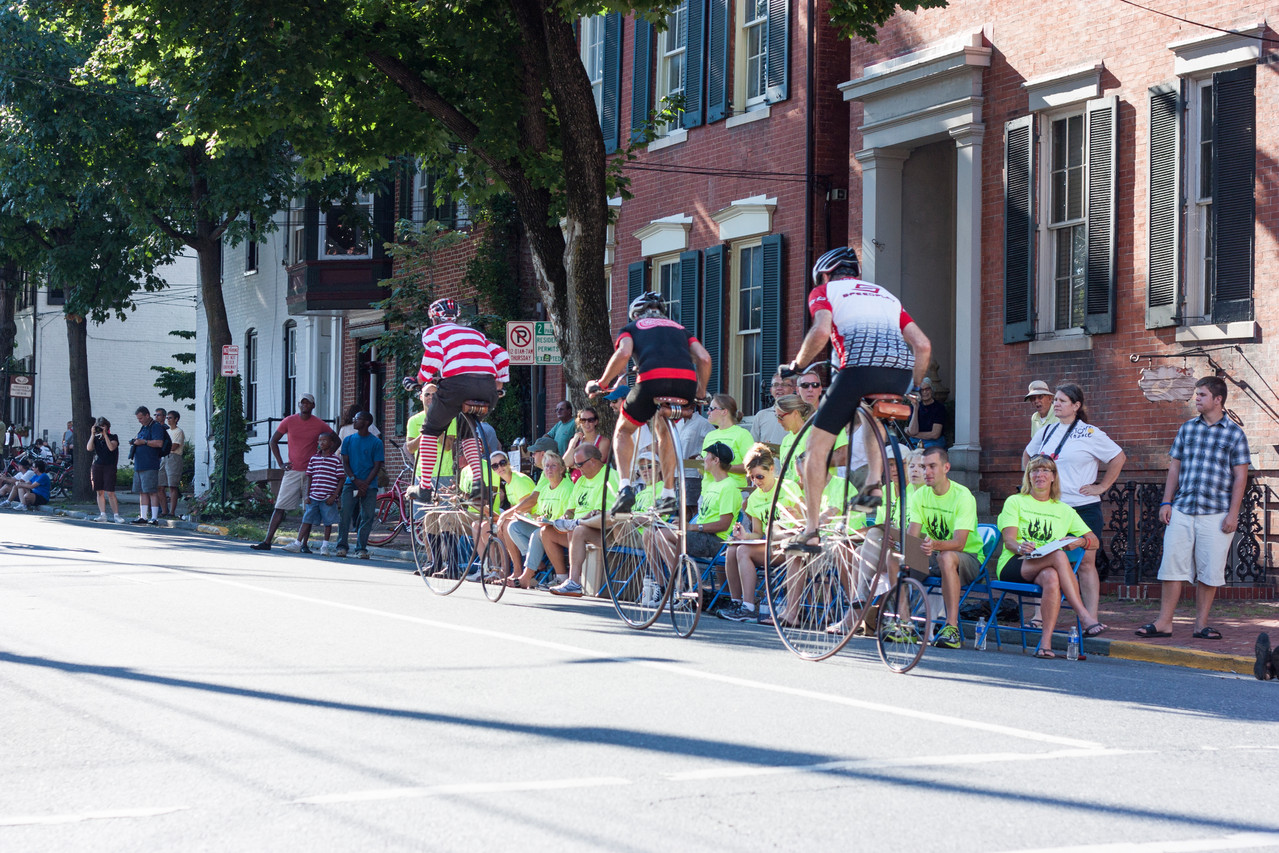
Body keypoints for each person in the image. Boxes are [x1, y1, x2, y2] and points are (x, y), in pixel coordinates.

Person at [780, 246, 931, 551]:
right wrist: (913, 386)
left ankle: (810, 529)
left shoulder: (824, 291)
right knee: (871, 414)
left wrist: (796, 365)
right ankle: (874, 484)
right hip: (900, 373)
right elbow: (923, 346)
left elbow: (822, 330)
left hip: (858, 369)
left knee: (815, 449)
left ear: (824, 274)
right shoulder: (886, 296)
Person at [1136, 377, 1250, 642]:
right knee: (1171, 567)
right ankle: (1164, 622)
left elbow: (1240, 477)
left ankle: (1201, 625)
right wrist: (1166, 501)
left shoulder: (1234, 434)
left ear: (1217, 399)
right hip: (1183, 509)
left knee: (1209, 571)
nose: (1196, 399)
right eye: (1196, 394)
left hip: (1217, 512)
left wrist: (1234, 514)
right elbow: (1174, 467)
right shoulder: (1187, 429)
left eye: (1201, 395)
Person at [592, 291, 712, 518]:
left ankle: (625, 487)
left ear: (635, 314)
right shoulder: (681, 330)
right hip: (685, 383)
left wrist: (602, 383)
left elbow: (624, 352)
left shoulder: (631, 328)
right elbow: (704, 358)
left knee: (623, 430)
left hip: (652, 379)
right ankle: (668, 494)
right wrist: (701, 392)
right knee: (665, 427)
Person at [1022, 383, 1125, 618]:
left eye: (1061, 401)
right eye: (1055, 400)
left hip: (1083, 507)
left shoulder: (1090, 433)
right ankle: (1040, 616)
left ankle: (1091, 617)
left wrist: (1102, 486)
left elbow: (1118, 457)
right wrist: (1031, 483)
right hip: (1053, 507)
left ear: (1076, 406)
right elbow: (1028, 455)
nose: (1056, 404)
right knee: (1046, 558)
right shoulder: (1047, 431)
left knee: (1087, 562)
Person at [996, 455, 1108, 658]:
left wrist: (1080, 542)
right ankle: (1084, 615)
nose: (1039, 475)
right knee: (1057, 555)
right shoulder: (1015, 502)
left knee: (1052, 577)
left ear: (1054, 477)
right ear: (1028, 476)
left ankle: (1045, 644)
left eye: (1045, 470)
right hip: (1015, 564)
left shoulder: (1064, 510)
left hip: (1044, 566)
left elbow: (1095, 541)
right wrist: (1022, 547)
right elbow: (1009, 542)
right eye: (1034, 470)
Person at [414, 297, 510, 502]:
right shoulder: (476, 334)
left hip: (456, 386)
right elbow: (501, 355)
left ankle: (423, 488)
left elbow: (434, 355)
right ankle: (478, 483)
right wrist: (499, 384)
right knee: (467, 433)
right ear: (456, 317)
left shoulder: (434, 332)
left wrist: (419, 379)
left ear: (433, 319)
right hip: (487, 390)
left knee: (430, 430)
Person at [908, 447, 984, 650]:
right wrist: (899, 544)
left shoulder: (963, 496)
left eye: (932, 466)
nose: (926, 472)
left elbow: (960, 543)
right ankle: (905, 624)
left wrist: (934, 544)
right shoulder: (919, 495)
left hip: (967, 557)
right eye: (924, 467)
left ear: (946, 467)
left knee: (947, 557)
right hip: (934, 552)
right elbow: (912, 537)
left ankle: (952, 628)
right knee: (897, 558)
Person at [720, 444, 799, 622]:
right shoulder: (754, 498)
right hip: (771, 546)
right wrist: (744, 536)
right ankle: (737, 602)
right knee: (734, 547)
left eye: (760, 476)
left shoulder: (788, 488)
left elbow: (804, 519)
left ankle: (748, 607)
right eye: (752, 477)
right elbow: (757, 532)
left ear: (772, 469)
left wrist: (795, 516)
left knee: (742, 550)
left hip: (790, 545)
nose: (756, 481)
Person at [648, 443, 739, 595]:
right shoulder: (711, 483)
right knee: (649, 534)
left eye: (707, 456)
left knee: (662, 535)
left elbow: (724, 524)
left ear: (716, 460)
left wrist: (691, 527)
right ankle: (663, 587)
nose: (703, 459)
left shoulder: (729, 486)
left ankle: (681, 587)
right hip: (701, 534)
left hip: (717, 540)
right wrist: (685, 525)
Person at [251, 393, 336, 551]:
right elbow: (273, 441)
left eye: (308, 403)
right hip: (293, 470)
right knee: (280, 505)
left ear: (313, 405)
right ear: (299, 405)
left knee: (309, 508)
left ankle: (304, 544)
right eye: (302, 403)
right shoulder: (289, 421)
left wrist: (324, 457)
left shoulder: (319, 424)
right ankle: (267, 541)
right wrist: (281, 463)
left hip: (312, 472)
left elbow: (335, 439)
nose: (305, 405)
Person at [545, 444, 618, 596]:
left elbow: (604, 514)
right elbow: (571, 510)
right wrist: (566, 516)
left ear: (593, 461)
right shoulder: (581, 481)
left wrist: (577, 521)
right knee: (546, 532)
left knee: (577, 529)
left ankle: (574, 582)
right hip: (580, 529)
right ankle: (562, 577)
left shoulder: (610, 477)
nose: (577, 469)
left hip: (607, 531)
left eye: (580, 464)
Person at [499, 448, 574, 589]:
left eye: (553, 466)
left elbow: (568, 516)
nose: (549, 469)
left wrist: (546, 521)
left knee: (538, 533)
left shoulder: (567, 487)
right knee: (514, 526)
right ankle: (536, 563)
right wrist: (532, 517)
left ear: (562, 469)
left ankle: (527, 576)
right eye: (546, 466)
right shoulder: (545, 489)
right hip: (544, 527)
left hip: (561, 531)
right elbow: (540, 513)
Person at [285, 432, 344, 555]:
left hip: (328, 498)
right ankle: (297, 543)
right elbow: (309, 477)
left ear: (331, 443)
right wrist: (306, 495)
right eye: (319, 440)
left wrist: (334, 496)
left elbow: (341, 478)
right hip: (313, 496)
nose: (321, 443)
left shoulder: (335, 460)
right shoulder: (314, 459)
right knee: (307, 520)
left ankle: (325, 546)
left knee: (328, 522)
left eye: (324, 440)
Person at [335, 411, 385, 559]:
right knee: (345, 514)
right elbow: (345, 462)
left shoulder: (376, 442)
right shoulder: (348, 440)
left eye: (357, 419)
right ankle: (341, 546)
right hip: (351, 483)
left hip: (370, 485)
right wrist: (354, 480)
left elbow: (377, 465)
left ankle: (361, 548)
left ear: (367, 422)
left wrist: (366, 484)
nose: (353, 421)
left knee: (367, 516)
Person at [406, 383, 457, 490]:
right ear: (421, 397)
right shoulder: (414, 420)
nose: (430, 397)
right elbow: (410, 448)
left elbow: (448, 447)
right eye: (427, 394)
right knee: (421, 506)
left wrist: (436, 425)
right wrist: (426, 431)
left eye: (434, 395)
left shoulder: (450, 419)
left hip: (444, 474)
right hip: (422, 475)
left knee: (444, 507)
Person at [703, 394, 754, 492]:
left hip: (732, 493)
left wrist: (725, 467)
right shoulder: (709, 436)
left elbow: (752, 466)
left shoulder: (742, 434)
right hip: (707, 493)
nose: (708, 412)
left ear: (724, 411)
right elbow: (703, 471)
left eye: (712, 408)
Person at [129, 405, 168, 526]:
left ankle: (154, 517)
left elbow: (159, 443)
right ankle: (143, 516)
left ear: (147, 415)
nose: (139, 420)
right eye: (138, 419)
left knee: (151, 491)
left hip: (150, 463)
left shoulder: (155, 427)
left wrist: (144, 442)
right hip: (140, 464)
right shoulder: (143, 428)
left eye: (141, 418)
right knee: (142, 491)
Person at [87, 417, 122, 523]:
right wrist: (93, 434)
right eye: (99, 426)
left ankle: (116, 515)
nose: (101, 428)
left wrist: (105, 434)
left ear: (107, 426)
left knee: (110, 492)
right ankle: (103, 514)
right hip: (97, 465)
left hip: (109, 466)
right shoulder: (96, 439)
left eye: (103, 426)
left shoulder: (113, 437)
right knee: (99, 491)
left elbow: (111, 447)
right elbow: (89, 448)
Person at [750, 372, 797, 446]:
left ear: (792, 389)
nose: (779, 388)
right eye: (775, 385)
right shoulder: (761, 416)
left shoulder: (798, 415)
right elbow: (752, 446)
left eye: (784, 385)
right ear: (771, 390)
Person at [563, 406, 610, 478]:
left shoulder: (603, 442)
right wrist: (574, 441)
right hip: (576, 484)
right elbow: (565, 463)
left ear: (596, 422)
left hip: (595, 482)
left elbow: (595, 464)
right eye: (583, 420)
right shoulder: (575, 441)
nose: (586, 423)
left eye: (590, 420)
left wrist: (573, 465)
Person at [158, 410, 186, 517]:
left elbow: (174, 446)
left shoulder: (179, 431)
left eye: (170, 418)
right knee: (160, 485)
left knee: (172, 485)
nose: (168, 420)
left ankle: (172, 512)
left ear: (176, 419)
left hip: (174, 458)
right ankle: (164, 511)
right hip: (164, 457)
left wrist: (164, 447)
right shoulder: (167, 431)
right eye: (167, 418)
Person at [906, 378, 947, 449]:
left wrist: (914, 435)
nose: (924, 392)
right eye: (921, 390)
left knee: (924, 451)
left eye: (927, 389)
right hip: (915, 441)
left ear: (932, 390)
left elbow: (935, 435)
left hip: (934, 442)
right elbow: (913, 431)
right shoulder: (914, 407)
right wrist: (916, 408)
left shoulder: (939, 408)